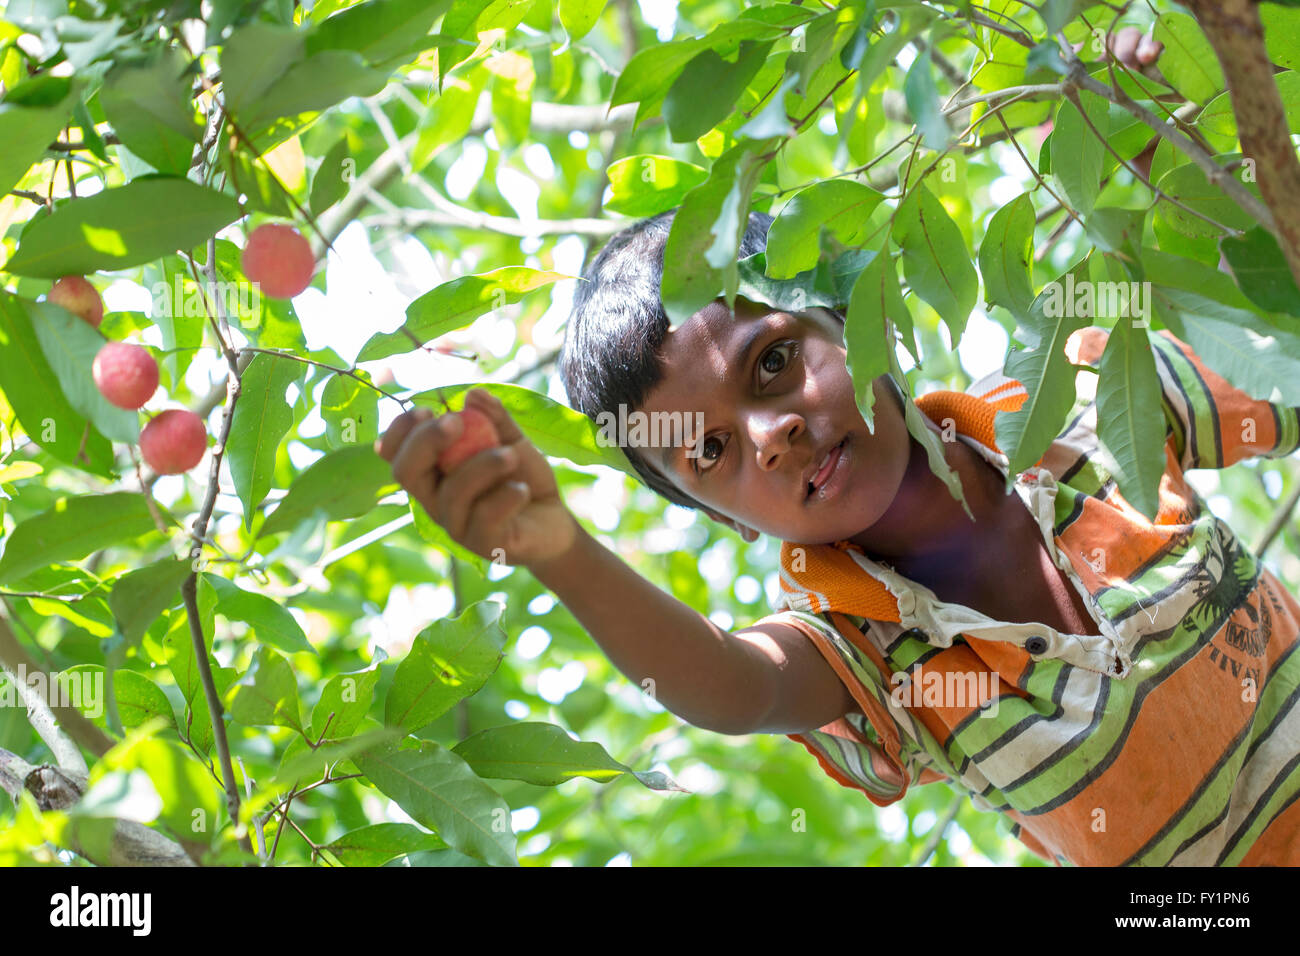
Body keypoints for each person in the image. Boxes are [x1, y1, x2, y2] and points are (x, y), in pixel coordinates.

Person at [377, 203, 1300, 866]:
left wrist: (1180, 154)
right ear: (730, 523)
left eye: (774, 362)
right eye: (711, 451)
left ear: (856, 325)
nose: (772, 434)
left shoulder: (1083, 400)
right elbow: (732, 689)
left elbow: (1280, 352)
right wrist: (559, 550)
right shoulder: (864, 652)